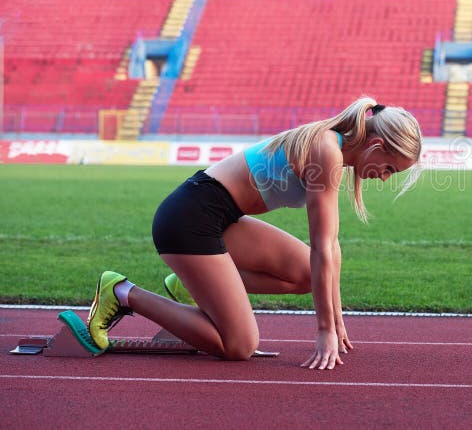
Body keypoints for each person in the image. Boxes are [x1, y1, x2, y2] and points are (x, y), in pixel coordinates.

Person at [87, 97, 422, 370]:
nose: (384, 178)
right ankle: (121, 292)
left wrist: (336, 322)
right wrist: (323, 331)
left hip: (221, 218)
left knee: (305, 273)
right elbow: (322, 246)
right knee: (239, 346)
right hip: (188, 219)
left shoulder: (333, 147)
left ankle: (189, 286)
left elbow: (332, 248)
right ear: (376, 144)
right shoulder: (327, 151)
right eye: (390, 168)